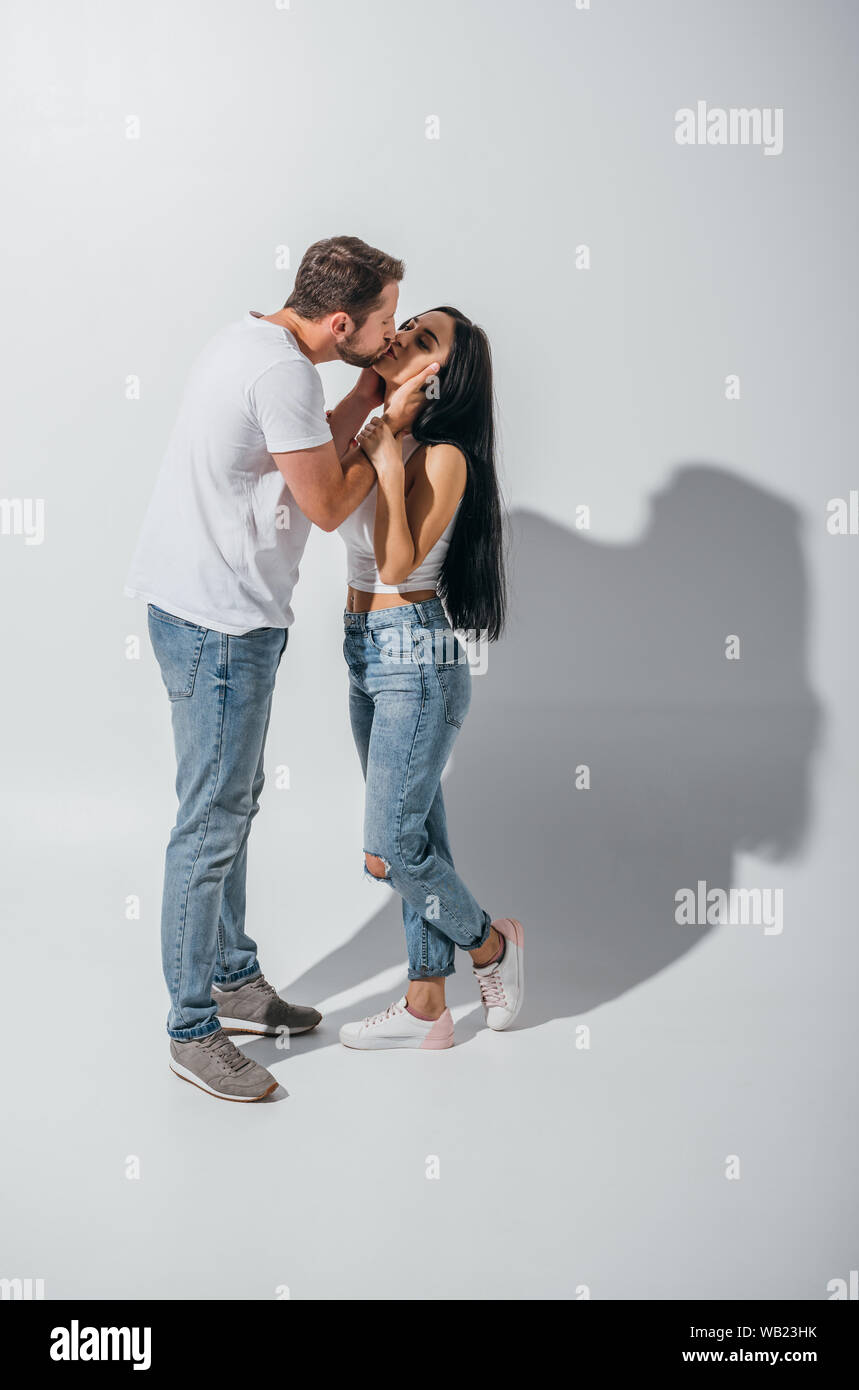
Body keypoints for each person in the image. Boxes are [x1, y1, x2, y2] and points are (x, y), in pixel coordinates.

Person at [124, 236, 432, 1101]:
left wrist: (363, 397)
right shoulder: (286, 375)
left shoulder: (251, 342)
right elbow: (330, 503)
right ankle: (193, 1029)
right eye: (383, 325)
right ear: (342, 321)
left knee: (229, 803)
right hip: (221, 625)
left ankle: (234, 979)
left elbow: (299, 453)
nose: (393, 334)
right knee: (210, 821)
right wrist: (387, 429)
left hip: (199, 609)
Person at [337, 307, 525, 1050]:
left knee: (387, 848)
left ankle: (492, 947)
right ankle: (426, 1003)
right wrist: (380, 425)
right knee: (416, 842)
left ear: (441, 378)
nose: (399, 339)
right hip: (364, 647)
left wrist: (386, 456)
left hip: (415, 654)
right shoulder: (388, 430)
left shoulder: (441, 455)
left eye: (421, 342)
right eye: (405, 327)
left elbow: (394, 564)